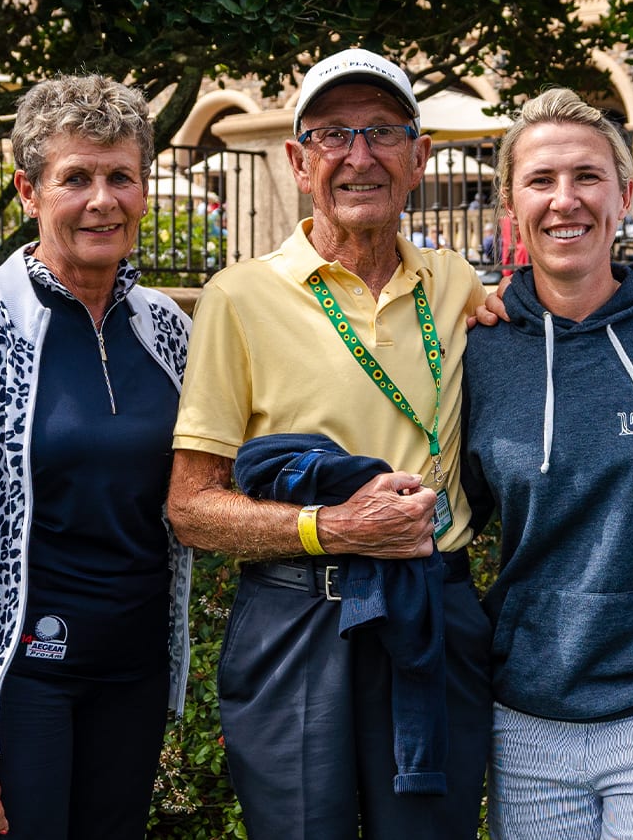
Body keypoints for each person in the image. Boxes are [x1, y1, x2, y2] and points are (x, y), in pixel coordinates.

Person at [167, 48, 490, 840]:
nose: (359, 155)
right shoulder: (239, 297)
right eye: (333, 134)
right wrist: (333, 528)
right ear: (297, 161)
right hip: (298, 618)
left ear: (418, 158)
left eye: (383, 131)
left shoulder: (461, 287)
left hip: (433, 611)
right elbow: (190, 508)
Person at [0, 74, 195, 839]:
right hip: (17, 681)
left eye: (122, 176)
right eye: (75, 178)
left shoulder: (168, 331)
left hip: (134, 672)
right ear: (28, 189)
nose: (102, 200)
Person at [461, 88, 633, 839]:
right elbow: (447, 512)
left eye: (587, 177)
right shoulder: (474, 343)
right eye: (540, 181)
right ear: (511, 205)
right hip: (524, 712)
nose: (564, 201)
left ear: (626, 196)